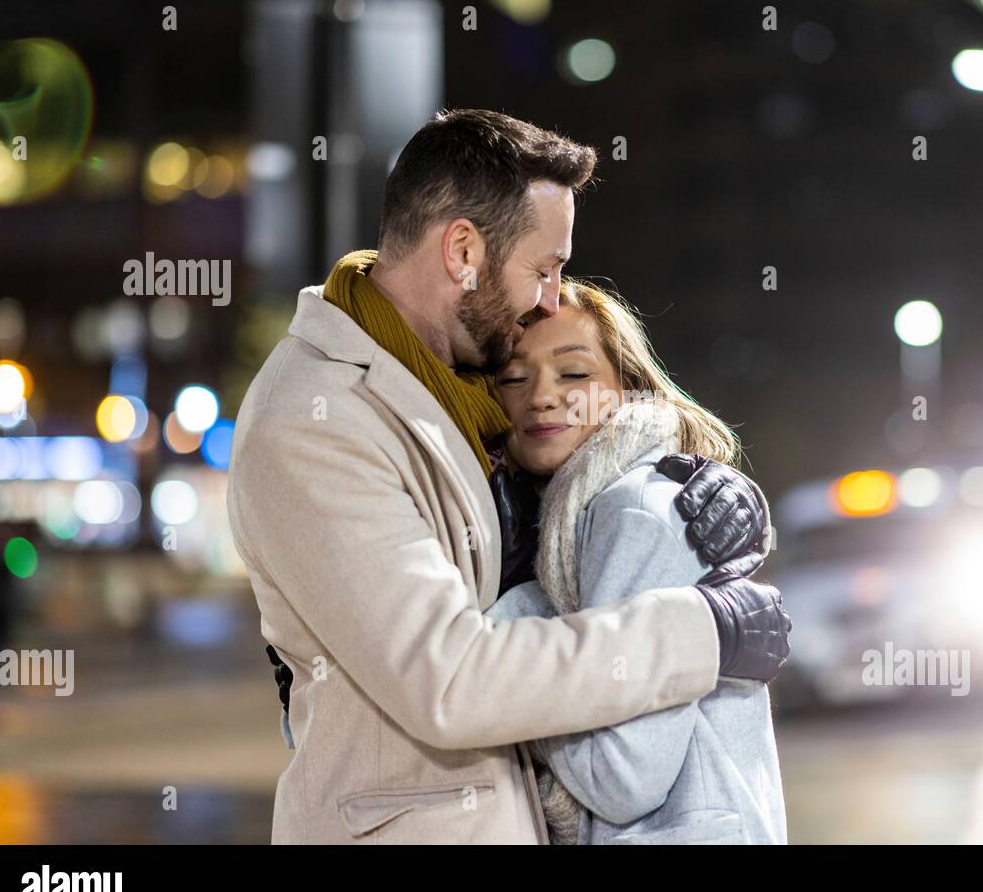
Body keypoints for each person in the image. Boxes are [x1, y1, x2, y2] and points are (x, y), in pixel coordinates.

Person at [227, 109, 791, 844]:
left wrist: (698, 486)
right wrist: (702, 625)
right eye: (545, 266)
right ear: (463, 250)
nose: (553, 298)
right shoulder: (314, 420)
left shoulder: (452, 385)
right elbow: (452, 677)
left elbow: (570, 468)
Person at [486, 280, 787, 844]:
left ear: (627, 389)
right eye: (513, 378)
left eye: (574, 374)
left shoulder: (634, 509)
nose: (542, 396)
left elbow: (620, 777)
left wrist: (511, 620)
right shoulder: (573, 522)